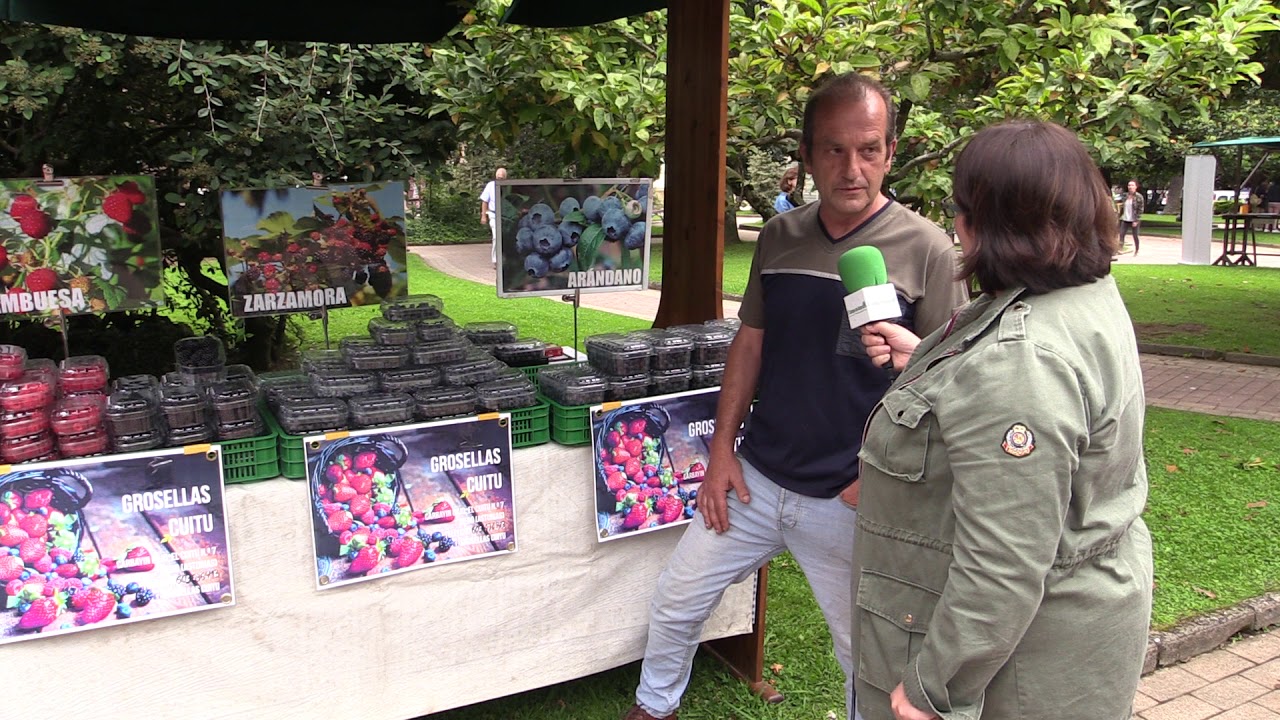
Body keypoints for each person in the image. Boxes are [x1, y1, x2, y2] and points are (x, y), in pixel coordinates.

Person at [621, 73, 970, 720]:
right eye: (833, 150)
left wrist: (884, 480)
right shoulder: (780, 238)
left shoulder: (928, 251)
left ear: (891, 152)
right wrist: (723, 450)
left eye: (868, 149)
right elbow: (749, 346)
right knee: (676, 599)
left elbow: (954, 384)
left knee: (864, 657)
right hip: (756, 476)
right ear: (806, 156)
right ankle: (653, 706)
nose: (851, 168)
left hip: (850, 495)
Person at [853, 120, 1152, 720]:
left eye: (959, 209)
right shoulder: (1081, 297)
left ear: (978, 224)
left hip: (1017, 676)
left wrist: (931, 689)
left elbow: (1004, 561)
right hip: (1075, 634)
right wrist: (935, 366)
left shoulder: (1020, 361)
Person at [479, 167, 507, 266]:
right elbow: (485, 201)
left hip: (505, 215)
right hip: (493, 214)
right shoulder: (490, 185)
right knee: (496, 236)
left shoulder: (507, 187)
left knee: (506, 237)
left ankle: (505, 259)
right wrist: (483, 215)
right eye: (498, 177)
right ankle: (495, 260)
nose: (500, 179)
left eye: (502, 178)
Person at [1118, 178, 1144, 255]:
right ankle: (1120, 249)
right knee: (1121, 234)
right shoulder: (1125, 196)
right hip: (1125, 218)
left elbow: (1141, 209)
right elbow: (1121, 206)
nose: (1130, 187)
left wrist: (1136, 220)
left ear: (1136, 187)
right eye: (1129, 185)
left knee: (1135, 236)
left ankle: (1137, 250)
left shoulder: (1139, 197)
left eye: (1132, 185)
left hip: (1134, 219)